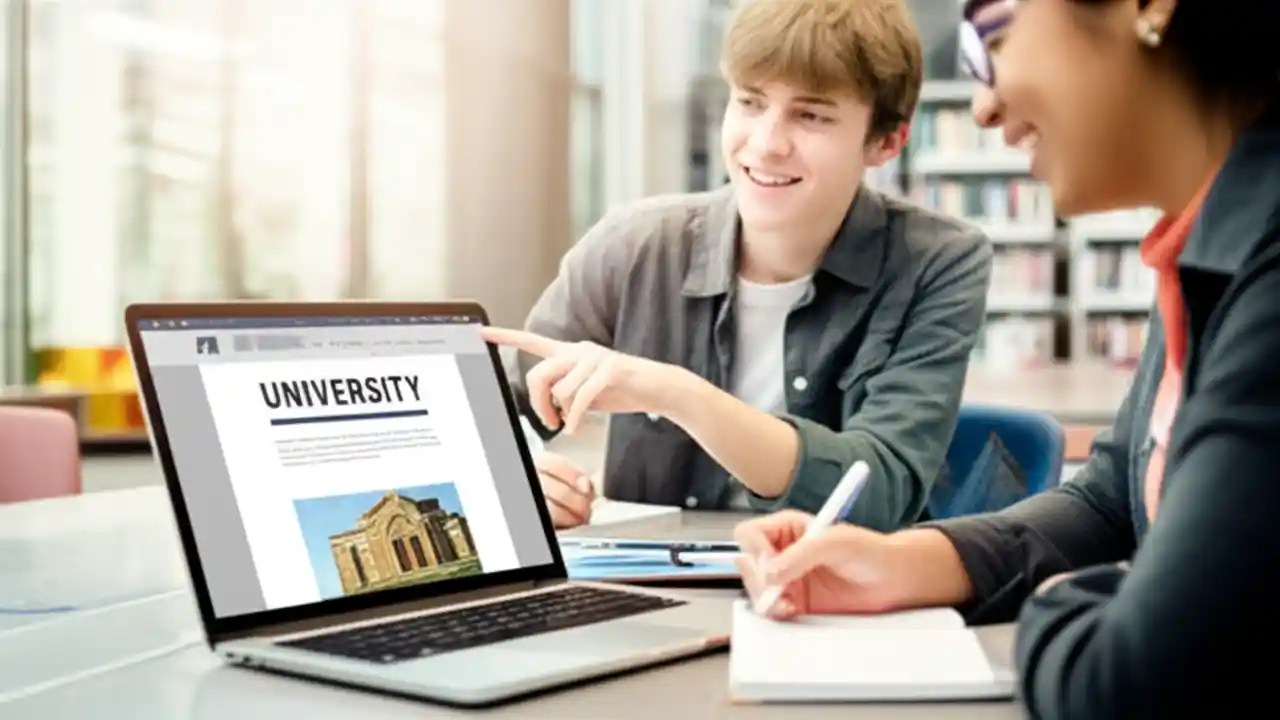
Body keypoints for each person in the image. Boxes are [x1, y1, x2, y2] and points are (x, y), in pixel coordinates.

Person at [734, 0, 1280, 717]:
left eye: (997, 37)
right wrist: (904, 564)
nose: (985, 107)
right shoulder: (1206, 246)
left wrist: (1070, 602)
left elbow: (1125, 682)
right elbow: (1108, 499)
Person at [483, 0, 993, 530]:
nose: (767, 144)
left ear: (887, 141)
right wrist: (518, 478)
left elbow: (876, 495)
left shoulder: (940, 261)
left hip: (833, 593)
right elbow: (496, 415)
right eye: (750, 103)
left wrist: (677, 393)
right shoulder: (635, 244)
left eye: (811, 114)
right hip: (642, 584)